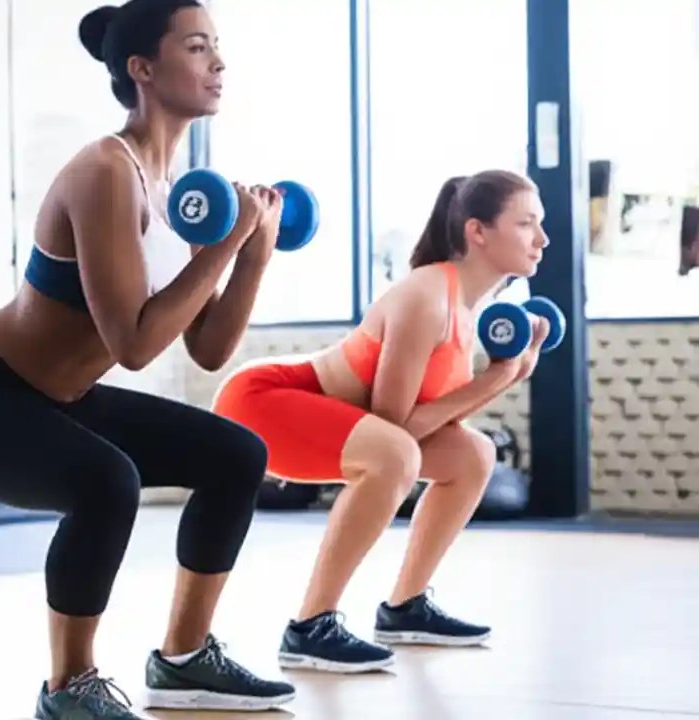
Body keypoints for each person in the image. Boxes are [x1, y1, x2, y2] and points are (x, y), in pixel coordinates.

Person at [0, 1, 296, 717]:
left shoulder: (178, 190)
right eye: (199, 47)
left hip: (61, 396)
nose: (219, 63)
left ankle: (183, 658)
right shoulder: (104, 170)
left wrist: (252, 257)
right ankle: (70, 687)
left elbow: (206, 350)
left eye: (218, 48)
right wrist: (223, 249)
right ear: (142, 69)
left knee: (237, 455)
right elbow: (135, 344)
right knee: (106, 482)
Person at [212, 170, 550, 673]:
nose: (541, 240)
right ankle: (310, 627)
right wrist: (495, 380)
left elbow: (431, 422)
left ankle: (405, 609)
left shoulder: (465, 304)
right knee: (394, 455)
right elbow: (395, 428)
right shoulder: (427, 295)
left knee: (474, 454)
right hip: (262, 402)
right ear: (478, 232)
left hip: (336, 419)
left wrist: (504, 376)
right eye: (526, 224)